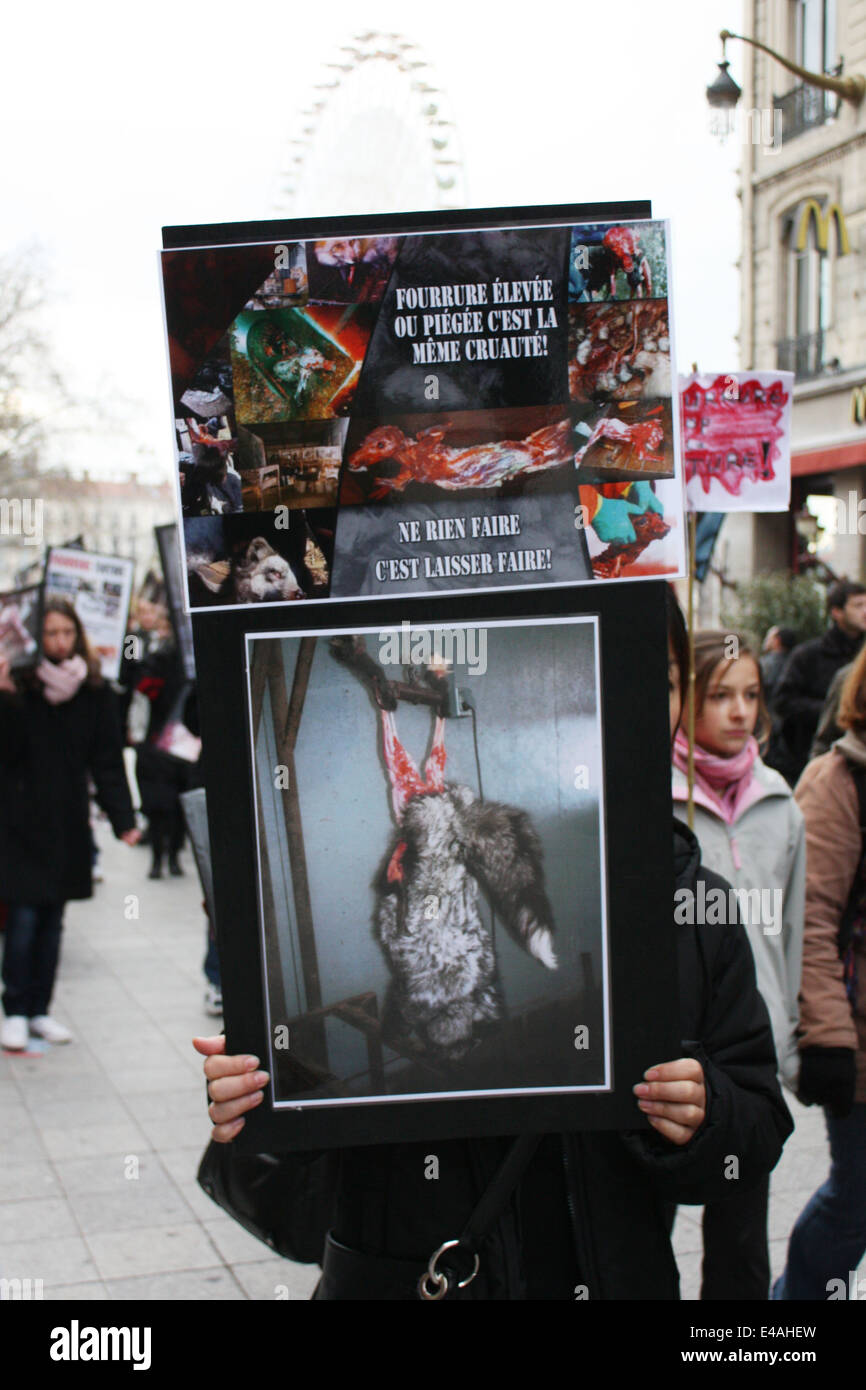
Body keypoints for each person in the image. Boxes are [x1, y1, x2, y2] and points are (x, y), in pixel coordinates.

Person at [192, 589, 793, 1300]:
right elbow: (294, 1213)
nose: (626, 695)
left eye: (655, 676)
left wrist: (703, 1112)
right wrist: (258, 1110)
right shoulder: (409, 889)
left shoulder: (692, 904)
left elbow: (755, 1126)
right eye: (600, 663)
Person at [672, 630, 806, 1299]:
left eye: (751, 695)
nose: (739, 711)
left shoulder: (781, 799)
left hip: (751, 1056)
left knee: (742, 1250)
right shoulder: (656, 796)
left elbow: (796, 925)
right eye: (720, 694)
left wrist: (796, 1027)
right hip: (675, 1054)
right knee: (643, 1229)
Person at [0, 600, 139, 1050]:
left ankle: (40, 1010)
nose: (60, 641)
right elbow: (9, 750)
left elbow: (107, 759)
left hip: (66, 822)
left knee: (53, 921)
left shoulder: (94, 689)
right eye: (52, 632)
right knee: (22, 919)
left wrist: (124, 818)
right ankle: (15, 1009)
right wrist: (5, 695)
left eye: (67, 632)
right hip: (18, 821)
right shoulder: (20, 682)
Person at [773, 646, 866, 1300]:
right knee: (857, 1200)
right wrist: (831, 1040)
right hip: (860, 1048)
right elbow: (809, 920)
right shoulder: (838, 781)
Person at [771, 581, 866, 786]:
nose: (865, 612)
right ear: (837, 612)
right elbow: (783, 702)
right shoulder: (808, 656)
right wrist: (835, 710)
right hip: (808, 766)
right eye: (858, 606)